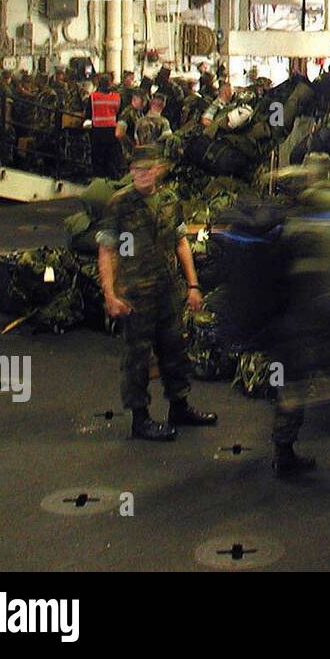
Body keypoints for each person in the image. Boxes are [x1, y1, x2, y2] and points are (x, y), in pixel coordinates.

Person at [96, 145, 217, 440]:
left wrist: (193, 284)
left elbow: (180, 242)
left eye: (147, 169)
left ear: (158, 170)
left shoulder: (168, 199)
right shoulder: (119, 204)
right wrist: (110, 295)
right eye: (136, 169)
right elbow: (107, 250)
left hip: (167, 291)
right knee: (137, 359)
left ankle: (180, 406)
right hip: (134, 295)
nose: (141, 174)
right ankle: (141, 419)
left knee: (174, 351)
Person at [87, 74, 122, 177]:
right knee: (111, 158)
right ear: (110, 84)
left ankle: (99, 179)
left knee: (98, 159)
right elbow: (119, 114)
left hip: (97, 131)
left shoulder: (93, 97)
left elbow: (88, 114)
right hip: (112, 131)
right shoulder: (117, 97)